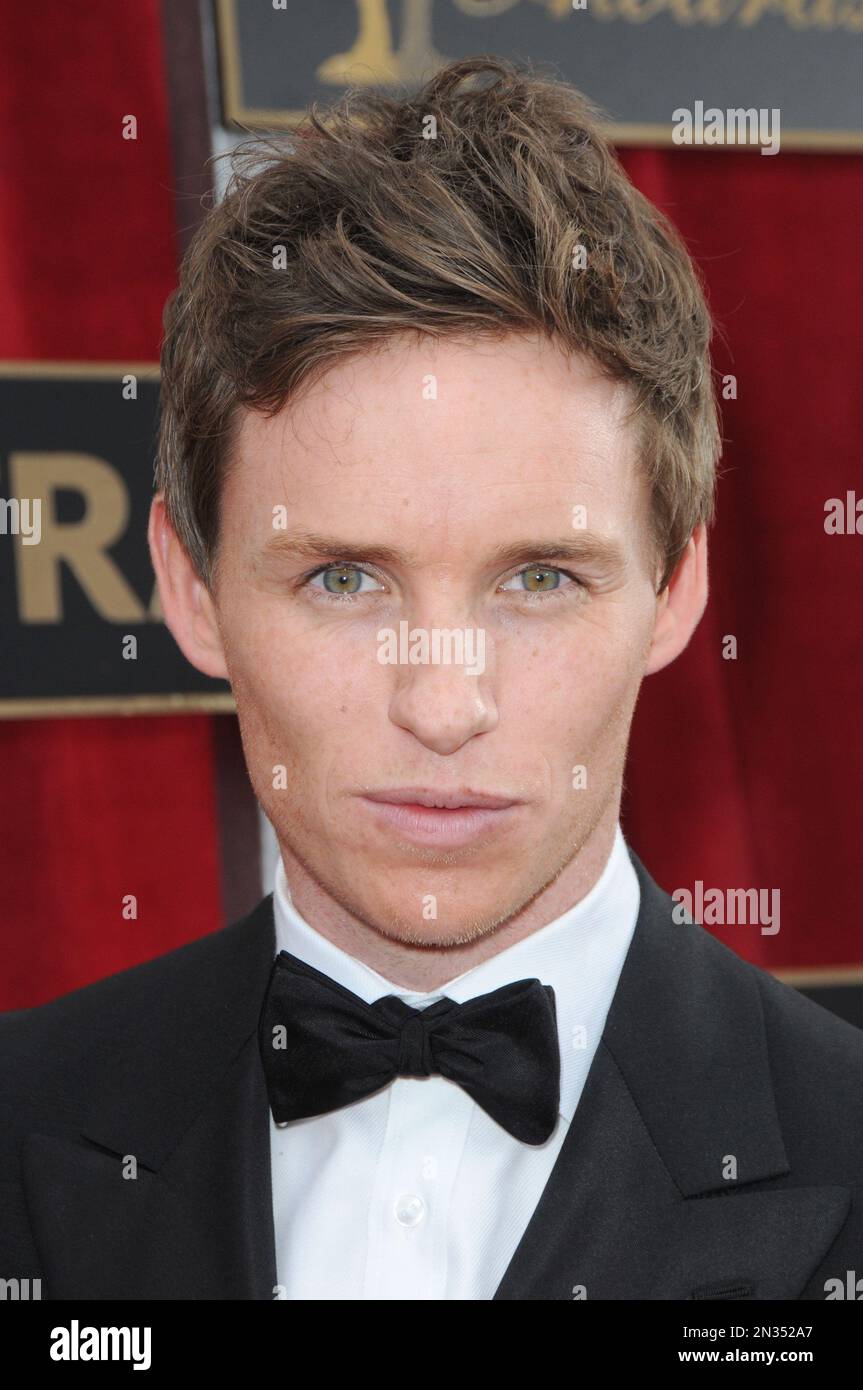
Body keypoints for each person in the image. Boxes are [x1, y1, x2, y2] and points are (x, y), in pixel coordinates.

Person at [2, 56, 861, 1301]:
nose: (443, 705)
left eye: (539, 580)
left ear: (675, 588)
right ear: (189, 589)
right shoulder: (27, 1121)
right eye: (346, 580)